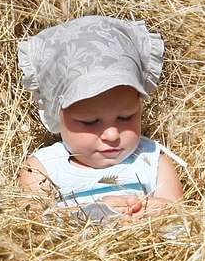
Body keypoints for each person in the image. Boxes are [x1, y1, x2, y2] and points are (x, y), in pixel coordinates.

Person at [16, 15, 185, 221]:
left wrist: (148, 210)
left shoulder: (150, 159)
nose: (112, 134)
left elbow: (179, 211)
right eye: (90, 122)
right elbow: (32, 222)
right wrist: (93, 213)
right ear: (57, 114)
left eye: (126, 117)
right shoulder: (43, 168)